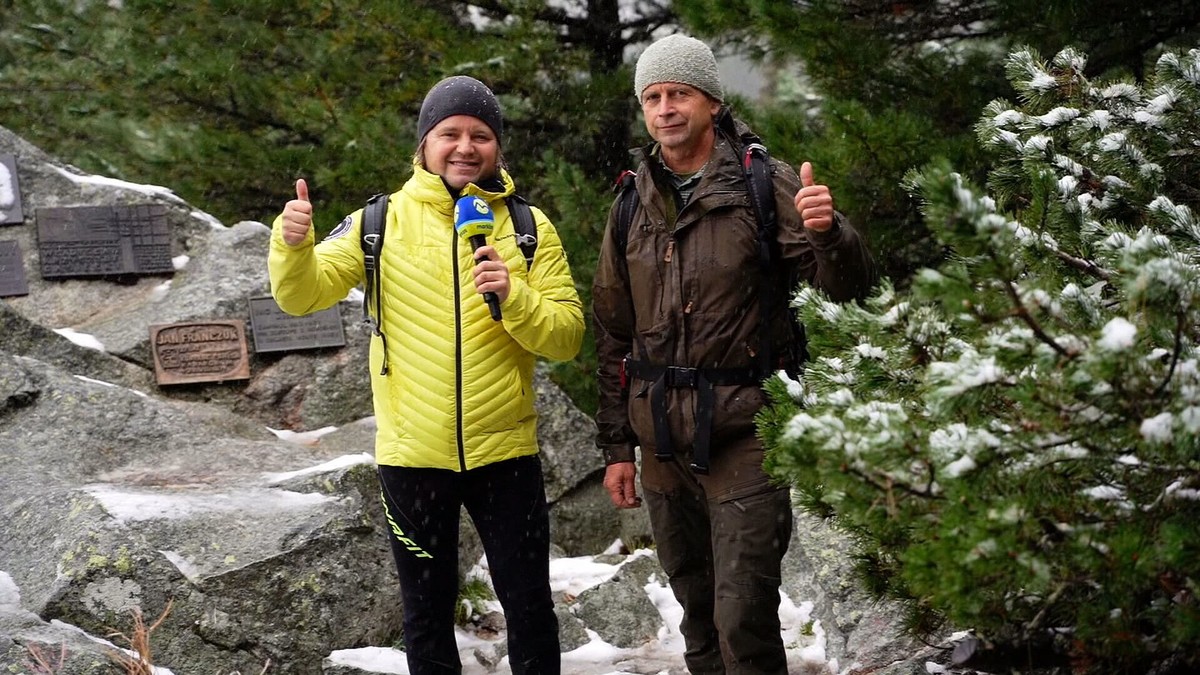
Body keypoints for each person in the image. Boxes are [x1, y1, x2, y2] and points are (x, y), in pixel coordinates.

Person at [269, 75, 583, 675]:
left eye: (481, 136)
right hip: (413, 459)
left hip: (506, 455)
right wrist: (292, 246)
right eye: (450, 134)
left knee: (530, 608)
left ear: (497, 148)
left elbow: (566, 337)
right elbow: (299, 296)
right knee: (426, 614)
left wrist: (513, 295)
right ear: (424, 145)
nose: (466, 147)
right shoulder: (377, 222)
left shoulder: (527, 226)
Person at [592, 34, 878, 674]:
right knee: (695, 611)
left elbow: (847, 292)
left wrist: (831, 235)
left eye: (680, 95)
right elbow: (612, 332)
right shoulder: (630, 202)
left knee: (741, 616)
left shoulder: (764, 184)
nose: (666, 109)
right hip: (661, 440)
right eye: (653, 97)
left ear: (712, 103)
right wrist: (617, 448)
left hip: (747, 428)